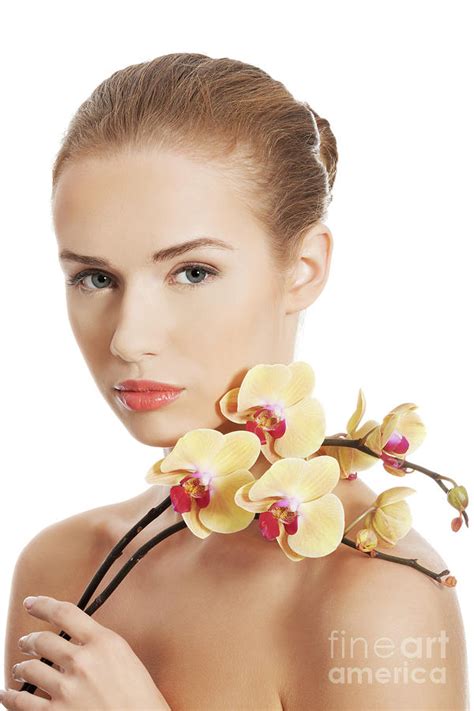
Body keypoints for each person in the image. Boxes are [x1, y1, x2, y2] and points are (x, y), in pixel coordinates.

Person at [3, 52, 468, 710]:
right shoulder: (58, 567)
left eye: (191, 271)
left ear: (303, 268)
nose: (128, 336)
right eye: (95, 277)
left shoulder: (377, 598)